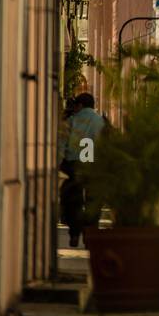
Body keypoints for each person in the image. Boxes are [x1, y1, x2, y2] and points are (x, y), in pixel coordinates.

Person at [59, 92, 106, 248]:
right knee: (93, 200)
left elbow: (62, 142)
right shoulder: (100, 121)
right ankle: (90, 233)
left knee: (73, 200)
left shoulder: (72, 120)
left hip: (74, 163)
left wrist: (59, 161)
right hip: (93, 164)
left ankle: (74, 233)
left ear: (80, 105)